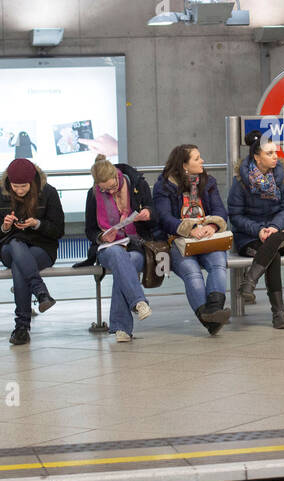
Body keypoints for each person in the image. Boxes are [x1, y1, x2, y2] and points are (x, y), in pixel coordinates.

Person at [152, 143, 232, 335]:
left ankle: (212, 313)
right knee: (192, 271)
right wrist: (190, 228)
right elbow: (164, 218)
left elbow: (220, 210)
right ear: (184, 165)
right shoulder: (164, 186)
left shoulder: (208, 181)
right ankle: (212, 319)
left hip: (207, 238)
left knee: (219, 263)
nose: (202, 160)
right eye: (197, 158)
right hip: (178, 240)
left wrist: (212, 226)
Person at [0, 158, 65, 345]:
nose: (19, 190)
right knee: (16, 243)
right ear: (8, 182)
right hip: (8, 248)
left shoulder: (49, 193)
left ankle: (21, 327)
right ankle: (41, 291)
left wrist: (37, 224)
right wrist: (4, 227)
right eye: (15, 186)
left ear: (33, 182)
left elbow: (58, 230)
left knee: (19, 268)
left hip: (42, 248)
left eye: (23, 186)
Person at [228, 129, 284, 329]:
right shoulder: (241, 181)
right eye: (269, 153)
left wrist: (274, 226)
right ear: (257, 157)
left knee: (273, 243)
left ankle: (250, 280)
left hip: (278, 232)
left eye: (275, 152)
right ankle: (279, 314)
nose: (275, 156)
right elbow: (236, 216)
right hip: (249, 237)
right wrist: (258, 230)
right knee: (271, 255)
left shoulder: (282, 177)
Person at [84, 156, 155, 342]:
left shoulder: (136, 183)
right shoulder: (93, 194)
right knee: (117, 255)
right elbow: (90, 229)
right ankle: (139, 301)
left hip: (136, 243)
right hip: (108, 247)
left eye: (112, 187)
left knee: (125, 264)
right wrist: (100, 236)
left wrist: (147, 213)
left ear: (117, 176)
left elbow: (153, 209)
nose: (110, 191)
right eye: (105, 189)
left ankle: (121, 328)